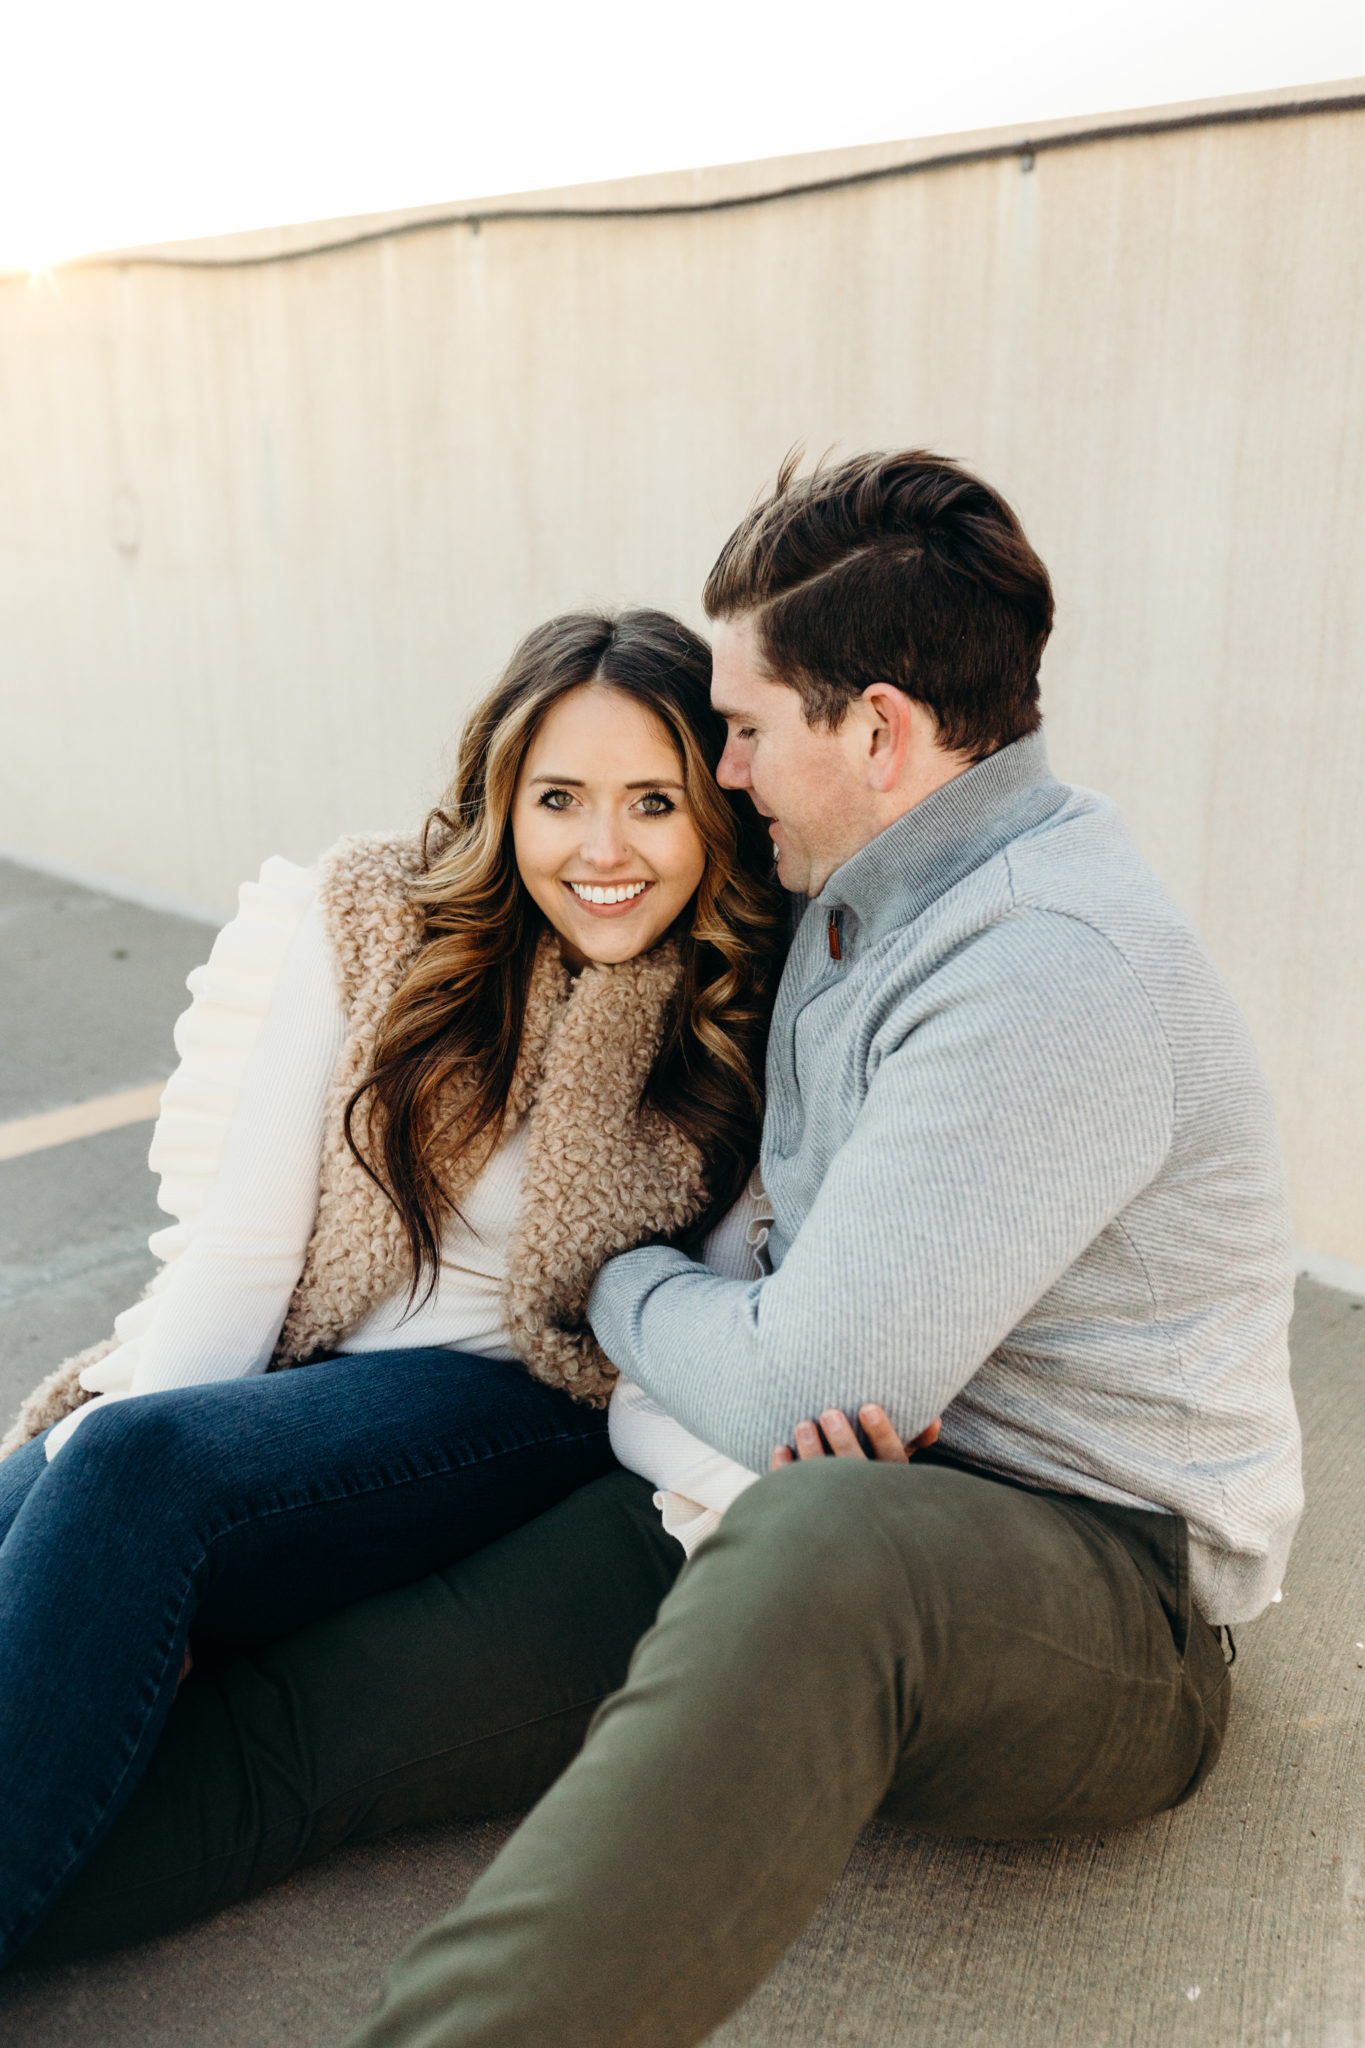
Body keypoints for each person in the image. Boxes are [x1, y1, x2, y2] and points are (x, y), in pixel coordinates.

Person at [14, 453, 1301, 2048]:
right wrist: (733, 1354)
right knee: (314, 1722)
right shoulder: (848, 916)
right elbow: (763, 1343)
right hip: (742, 1472)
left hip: (1081, 1569)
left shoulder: (1043, 967)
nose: (728, 764)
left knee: (820, 1537)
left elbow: (803, 1372)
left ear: (879, 733)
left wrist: (616, 1286)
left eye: (744, 730)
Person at [0, 607, 790, 1966]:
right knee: (67, 1475)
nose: (602, 851)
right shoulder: (375, 912)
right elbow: (248, 1249)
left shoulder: (739, 999)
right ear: (505, 798)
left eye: (651, 802)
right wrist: (91, 1475)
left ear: (710, 814)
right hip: (320, 1376)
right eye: (560, 800)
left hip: (529, 1396)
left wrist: (131, 1475)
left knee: (139, 1467)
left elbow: (711, 1318)